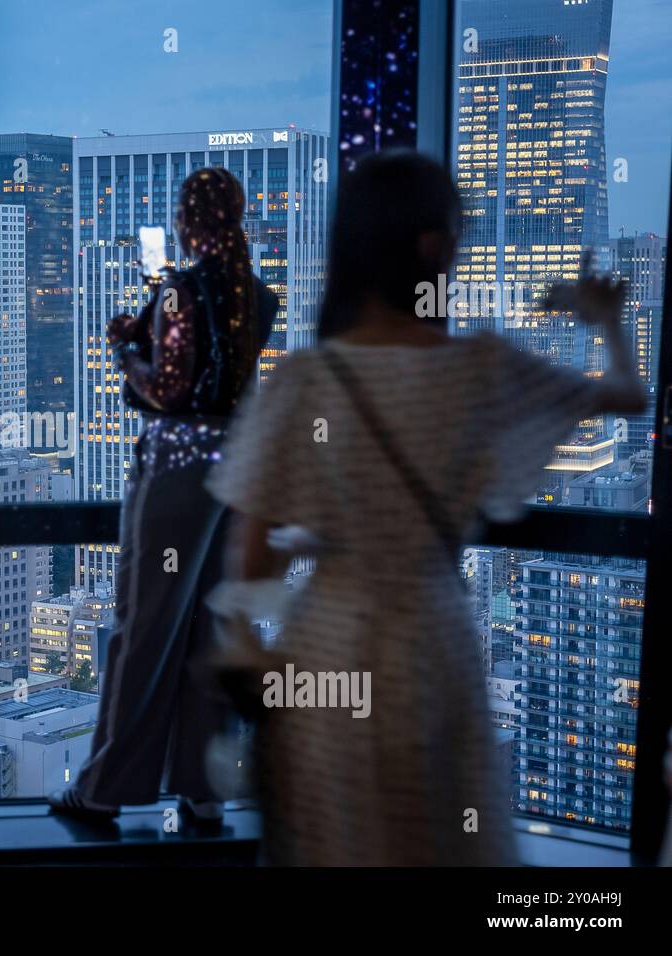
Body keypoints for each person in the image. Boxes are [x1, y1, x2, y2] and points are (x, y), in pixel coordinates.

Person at [206, 151, 646, 865]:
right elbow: (627, 396)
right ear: (435, 248)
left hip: (326, 660)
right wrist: (604, 319)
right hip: (431, 649)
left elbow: (248, 555)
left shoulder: (305, 380)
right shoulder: (481, 369)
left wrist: (307, 565)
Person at [47, 166, 278, 826]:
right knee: (209, 627)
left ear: (185, 219)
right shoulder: (256, 294)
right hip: (233, 471)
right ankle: (202, 790)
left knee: (142, 626)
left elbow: (167, 390)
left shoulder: (180, 288)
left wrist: (124, 349)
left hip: (177, 468)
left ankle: (103, 788)